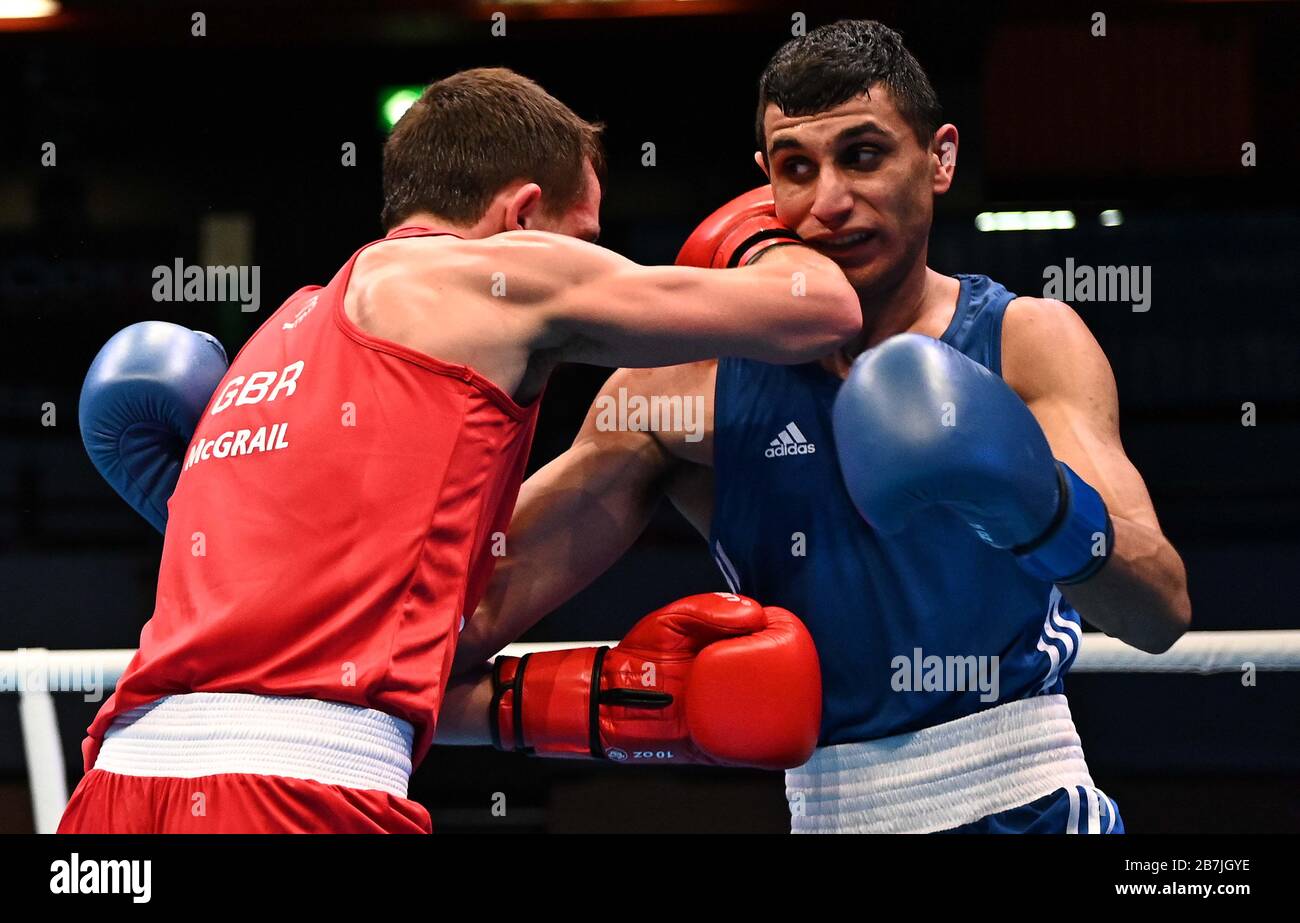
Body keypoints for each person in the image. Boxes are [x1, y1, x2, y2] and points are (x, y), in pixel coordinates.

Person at [437, 21, 1193, 834]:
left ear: (939, 158)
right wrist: (598, 704)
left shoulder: (1026, 342)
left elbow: (1159, 611)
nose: (829, 202)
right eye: (798, 168)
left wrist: (1037, 504)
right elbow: (449, 629)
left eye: (864, 156)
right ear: (764, 184)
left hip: (1027, 804)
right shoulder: (675, 390)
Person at [59, 66, 855, 833]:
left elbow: (382, 641)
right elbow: (821, 309)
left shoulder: (284, 333)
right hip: (297, 793)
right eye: (583, 239)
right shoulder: (488, 275)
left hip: (118, 783)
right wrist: (762, 227)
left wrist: (585, 700)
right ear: (522, 215)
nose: (590, 262)